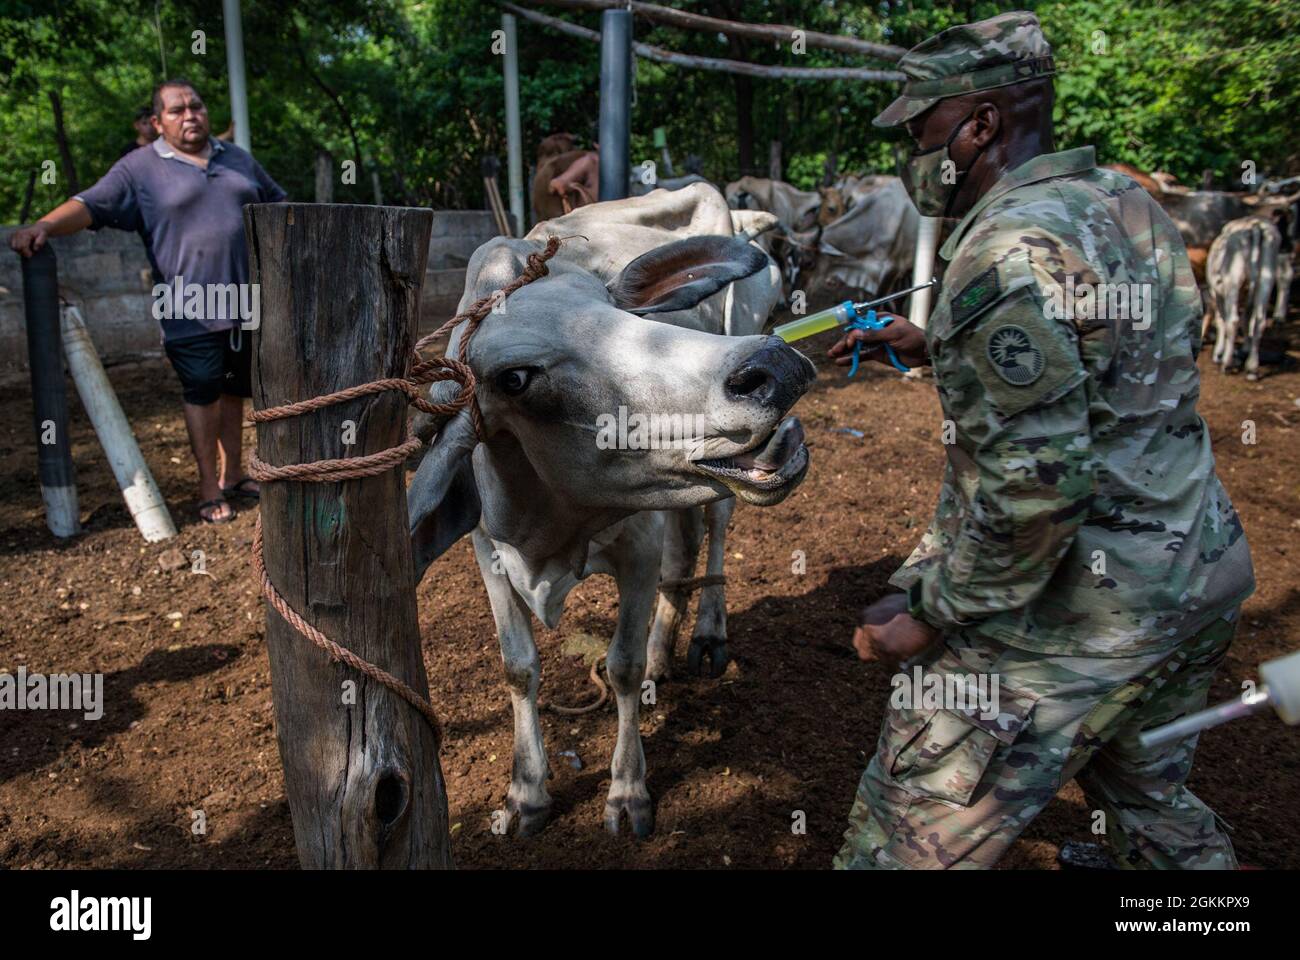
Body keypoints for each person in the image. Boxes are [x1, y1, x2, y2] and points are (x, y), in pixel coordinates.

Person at [826, 11, 1254, 870]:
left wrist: (925, 615)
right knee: (1150, 804)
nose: (913, 150)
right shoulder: (1126, 204)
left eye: (922, 127)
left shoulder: (1001, 252)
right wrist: (942, 345)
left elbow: (1035, 492)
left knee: (899, 846)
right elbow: (1118, 376)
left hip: (1073, 617)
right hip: (1193, 572)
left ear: (981, 123)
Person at [10, 79, 286, 524]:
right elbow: (89, 204)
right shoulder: (138, 168)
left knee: (235, 390)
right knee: (202, 392)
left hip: (246, 301)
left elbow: (279, 204)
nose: (190, 114)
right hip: (187, 306)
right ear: (157, 122)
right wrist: (44, 225)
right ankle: (207, 486)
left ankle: (234, 474)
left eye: (196, 106)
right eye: (176, 110)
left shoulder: (237, 159)